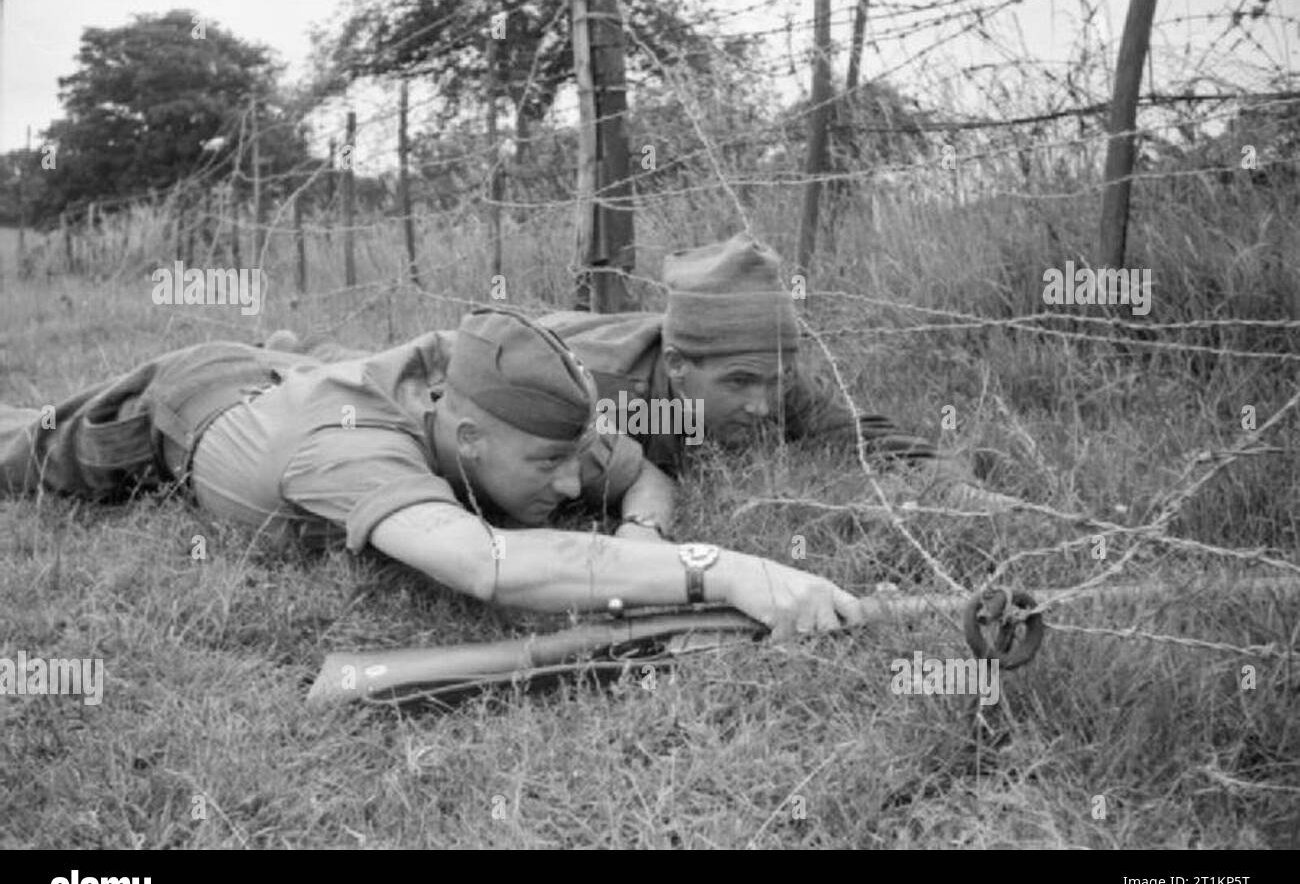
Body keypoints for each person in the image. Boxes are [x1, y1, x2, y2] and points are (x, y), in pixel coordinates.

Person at [1, 308, 861, 639]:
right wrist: (727, 570)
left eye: (573, 460)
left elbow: (643, 478)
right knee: (32, 452)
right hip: (193, 402)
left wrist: (641, 533)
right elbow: (485, 563)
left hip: (307, 379)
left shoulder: (515, 416)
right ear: (472, 443)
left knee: (310, 365)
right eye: (550, 467)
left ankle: (291, 351)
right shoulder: (360, 449)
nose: (571, 489)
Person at [269, 234, 1026, 540]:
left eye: (776, 379)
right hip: (490, 353)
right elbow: (485, 448)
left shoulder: (769, 379)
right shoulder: (597, 395)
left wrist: (956, 487)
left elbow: (865, 438)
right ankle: (294, 354)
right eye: (740, 382)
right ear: (679, 364)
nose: (766, 405)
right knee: (363, 370)